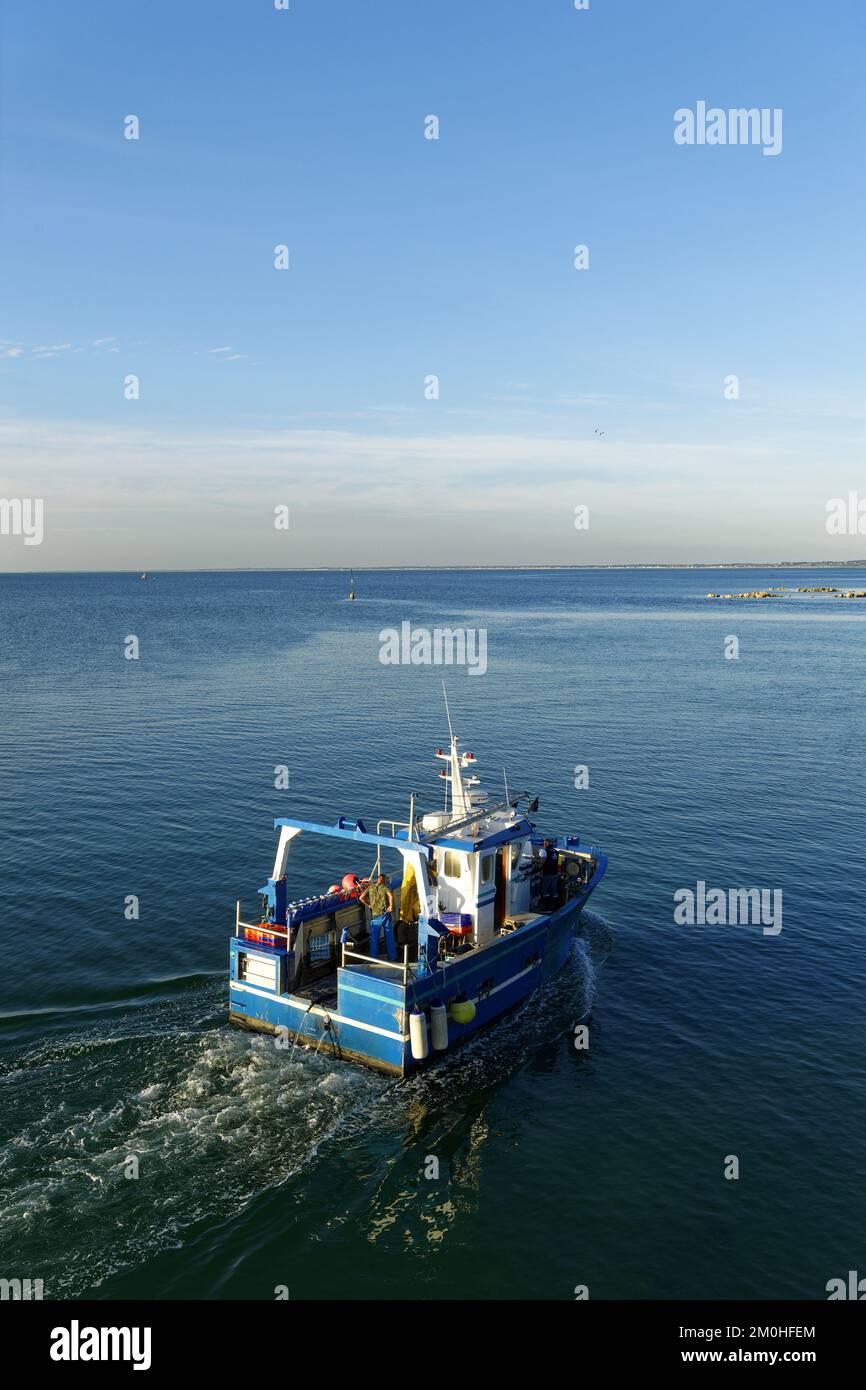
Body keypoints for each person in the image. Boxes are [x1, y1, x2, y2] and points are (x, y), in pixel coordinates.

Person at [359, 873, 397, 961]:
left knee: (374, 938)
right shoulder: (384, 887)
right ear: (383, 880)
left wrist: (369, 905)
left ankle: (373, 957)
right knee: (389, 936)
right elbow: (391, 895)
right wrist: (391, 906)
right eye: (386, 880)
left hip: (375, 916)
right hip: (384, 914)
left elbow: (361, 897)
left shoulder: (370, 887)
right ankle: (392, 957)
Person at [540, 839, 560, 907]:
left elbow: (542, 861)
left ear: (545, 844)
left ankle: (548, 906)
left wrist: (534, 860)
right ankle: (556, 905)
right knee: (554, 890)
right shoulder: (556, 852)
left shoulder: (544, 851)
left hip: (547, 874)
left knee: (545, 891)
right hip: (555, 874)